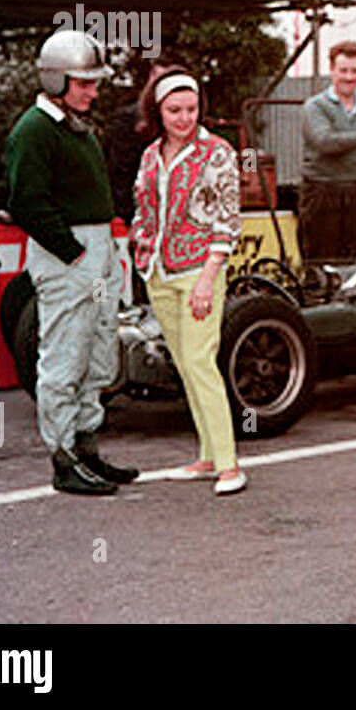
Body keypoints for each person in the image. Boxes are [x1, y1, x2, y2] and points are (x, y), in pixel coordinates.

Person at [5, 30, 138, 495]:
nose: (93, 91)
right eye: (84, 83)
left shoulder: (73, 126)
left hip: (95, 254)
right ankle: (62, 458)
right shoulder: (34, 130)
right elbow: (27, 202)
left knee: (97, 350)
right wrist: (74, 252)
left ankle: (86, 448)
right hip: (70, 258)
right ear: (57, 78)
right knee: (64, 357)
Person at [128, 67, 247, 496]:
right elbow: (141, 209)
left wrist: (207, 278)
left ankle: (230, 465)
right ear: (157, 111)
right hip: (159, 271)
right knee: (185, 365)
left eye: (191, 109)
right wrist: (142, 254)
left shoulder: (218, 152)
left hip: (200, 271)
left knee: (200, 361)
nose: (184, 118)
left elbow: (227, 220)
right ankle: (207, 455)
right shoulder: (149, 155)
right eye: (174, 110)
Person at [299, 40, 356, 261]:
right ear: (331, 70)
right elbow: (324, 142)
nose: (349, 77)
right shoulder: (315, 107)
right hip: (322, 192)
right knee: (322, 260)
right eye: (343, 71)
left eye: (354, 71)